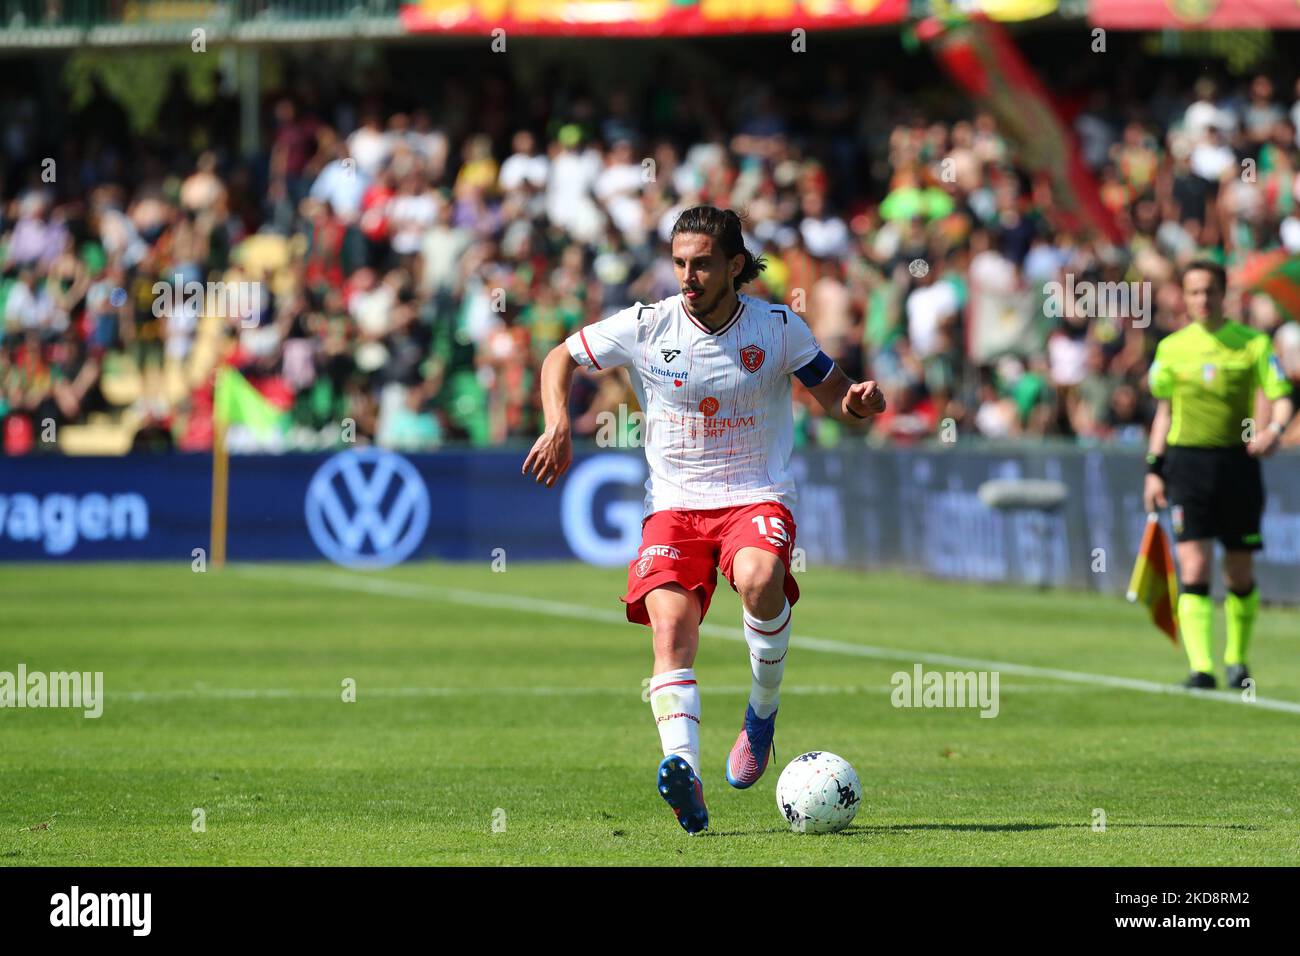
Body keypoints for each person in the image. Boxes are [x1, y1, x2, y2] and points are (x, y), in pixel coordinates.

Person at [522, 206, 886, 834]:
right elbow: (559, 356)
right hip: (674, 506)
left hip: (755, 494)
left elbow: (837, 395)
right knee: (670, 626)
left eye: (702, 264)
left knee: (760, 576)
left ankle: (761, 714)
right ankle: (683, 774)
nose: (688, 276)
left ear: (734, 266)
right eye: (681, 263)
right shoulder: (646, 324)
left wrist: (859, 404)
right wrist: (558, 423)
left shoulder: (776, 328)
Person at [1144, 261, 1294, 690]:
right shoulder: (1172, 349)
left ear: (1223, 293)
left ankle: (1237, 660)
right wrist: (1154, 470)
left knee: (1239, 570)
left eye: (1209, 291)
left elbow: (1282, 397)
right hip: (1187, 464)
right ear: (1184, 298)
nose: (1202, 299)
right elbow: (1164, 412)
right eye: (1193, 292)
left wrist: (1273, 431)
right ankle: (1202, 668)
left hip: (1237, 463)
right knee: (1193, 563)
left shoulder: (1252, 344)